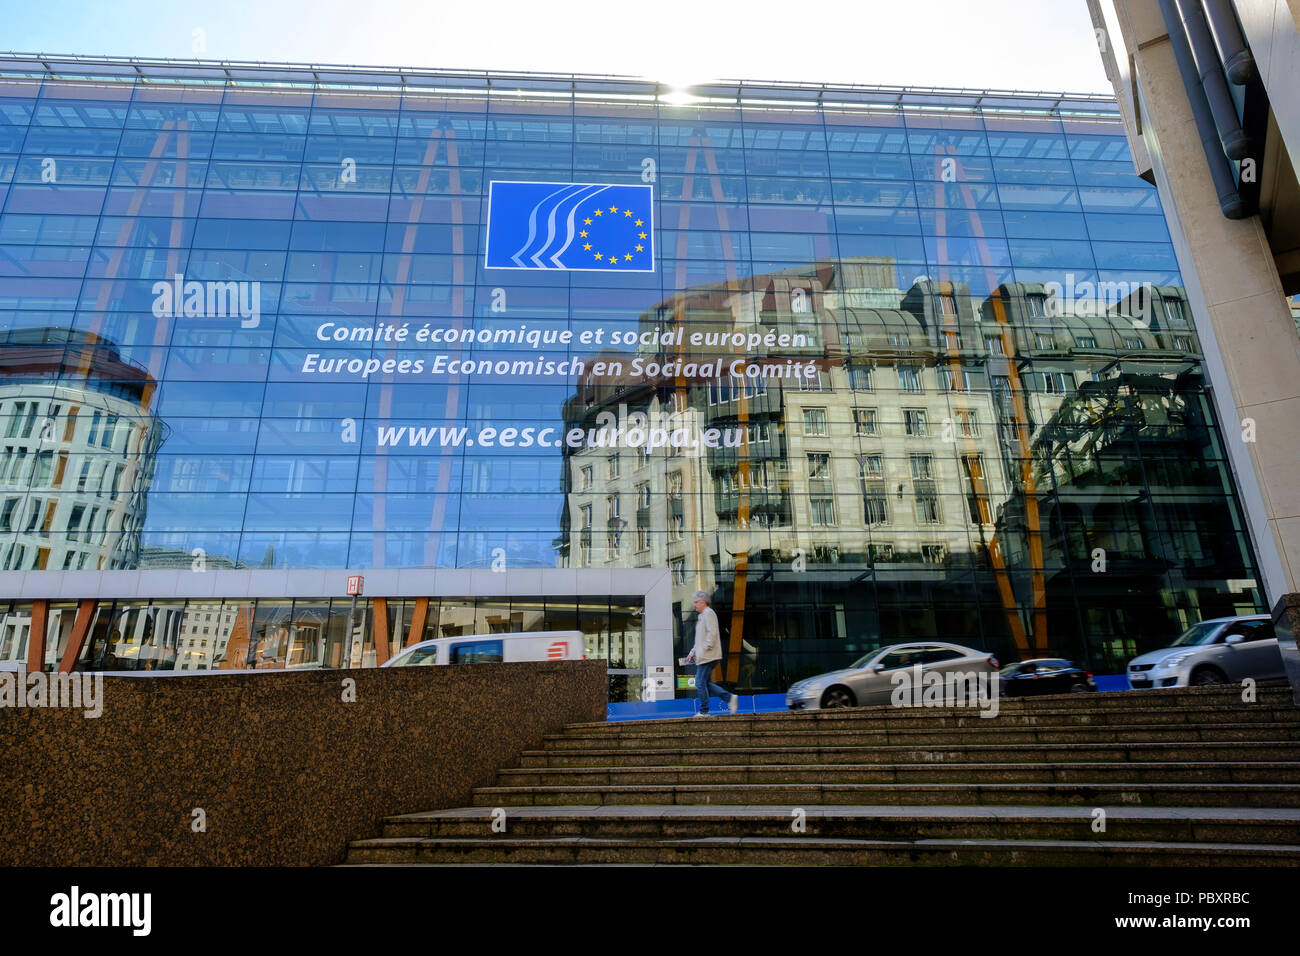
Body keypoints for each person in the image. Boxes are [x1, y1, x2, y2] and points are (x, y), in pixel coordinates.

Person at [688, 590, 738, 716]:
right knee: (705, 683)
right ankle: (729, 698)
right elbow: (699, 639)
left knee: (699, 683)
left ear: (703, 602)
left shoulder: (709, 613)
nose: (694, 605)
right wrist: (693, 652)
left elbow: (713, 633)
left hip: (708, 656)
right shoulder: (702, 616)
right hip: (704, 655)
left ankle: (704, 711)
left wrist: (705, 648)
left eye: (696, 602)